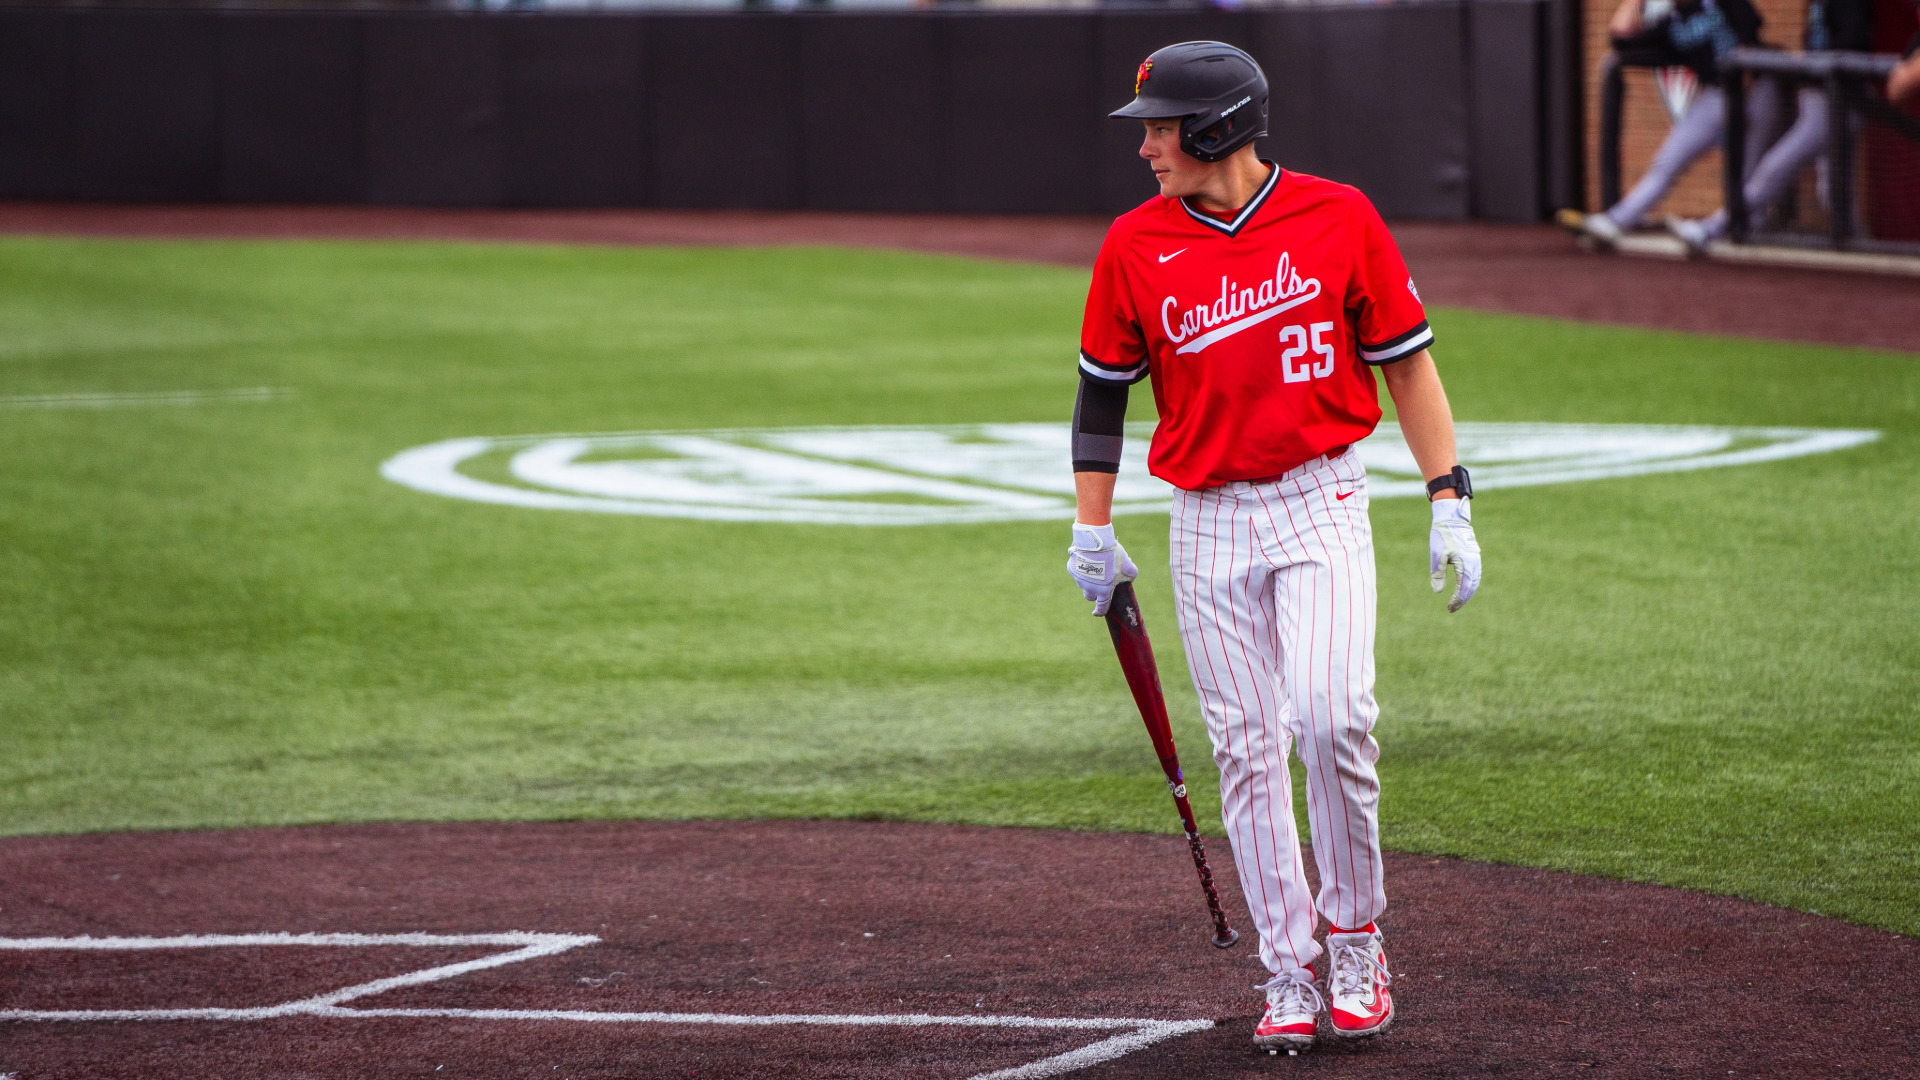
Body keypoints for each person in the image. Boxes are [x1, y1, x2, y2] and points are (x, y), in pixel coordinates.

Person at [1064, 41, 1481, 1055]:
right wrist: (1092, 526)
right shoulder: (1133, 243)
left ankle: (1355, 939)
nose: (1147, 147)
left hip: (1320, 498)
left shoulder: (1340, 217)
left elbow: (1408, 367)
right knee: (1247, 750)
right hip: (1203, 519)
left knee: (1334, 718)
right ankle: (1287, 967)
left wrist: (1448, 498)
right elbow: (1100, 395)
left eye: (1162, 127)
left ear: (1217, 129)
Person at [1667, 0, 1878, 251]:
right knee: (1832, 189)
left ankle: (1713, 227)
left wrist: (1811, 61)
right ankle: (1862, 246)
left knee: (1774, 168)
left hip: (1842, 99)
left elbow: (1855, 38)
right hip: (1819, 97)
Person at [1562, 0, 1778, 245]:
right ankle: (1615, 221)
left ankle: (1728, 228)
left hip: (1757, 90)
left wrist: (1742, 96)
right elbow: (1621, 39)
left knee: (1753, 173)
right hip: (1715, 97)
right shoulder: (1672, 23)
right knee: (1667, 162)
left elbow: (1749, 34)